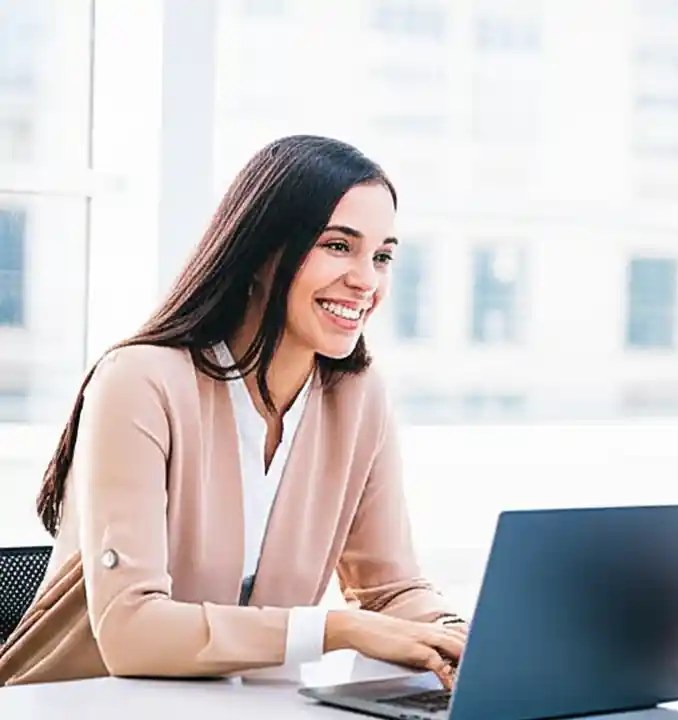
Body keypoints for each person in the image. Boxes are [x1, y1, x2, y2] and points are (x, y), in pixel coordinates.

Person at [0, 136, 467, 687]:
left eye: (383, 256)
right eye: (339, 246)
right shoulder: (141, 381)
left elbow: (392, 590)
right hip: (83, 705)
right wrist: (336, 629)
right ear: (262, 250)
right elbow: (131, 632)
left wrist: (461, 638)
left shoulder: (357, 398)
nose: (367, 280)